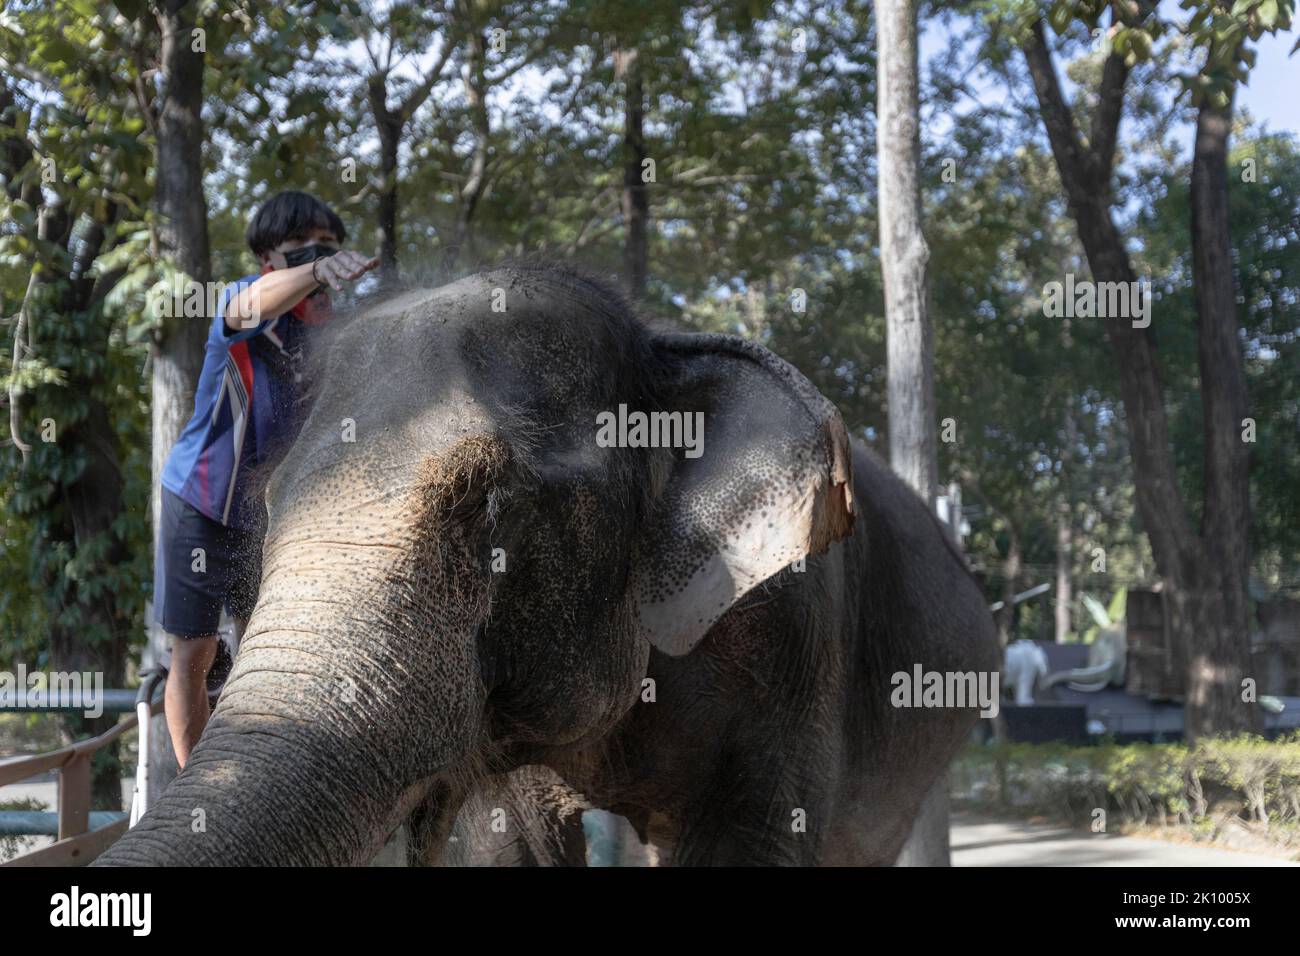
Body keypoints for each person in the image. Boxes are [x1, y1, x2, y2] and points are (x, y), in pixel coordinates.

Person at [154, 191, 378, 767]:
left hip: (272, 518)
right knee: (196, 651)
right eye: (301, 245)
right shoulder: (239, 300)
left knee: (265, 647)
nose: (320, 253)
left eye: (330, 244)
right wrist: (316, 270)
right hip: (200, 500)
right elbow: (255, 304)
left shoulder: (338, 337)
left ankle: (258, 775)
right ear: (269, 258)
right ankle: (195, 792)